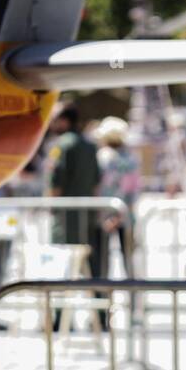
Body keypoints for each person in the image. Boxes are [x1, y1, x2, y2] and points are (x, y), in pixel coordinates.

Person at [43, 102, 103, 328]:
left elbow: (55, 182)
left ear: (65, 120)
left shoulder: (61, 146)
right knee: (93, 269)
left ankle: (58, 320)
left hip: (65, 220)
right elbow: (97, 183)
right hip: (87, 217)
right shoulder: (90, 146)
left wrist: (50, 204)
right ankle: (101, 319)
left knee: (60, 268)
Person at [93, 115, 140, 280]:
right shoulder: (131, 158)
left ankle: (104, 300)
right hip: (126, 214)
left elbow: (102, 186)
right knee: (129, 261)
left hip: (104, 214)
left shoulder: (103, 156)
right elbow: (133, 190)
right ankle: (134, 302)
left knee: (102, 262)